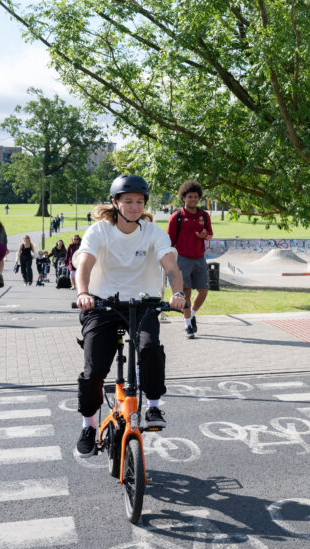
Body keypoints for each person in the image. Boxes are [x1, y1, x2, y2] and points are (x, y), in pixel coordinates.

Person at [73, 175, 188, 459]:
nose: (135, 207)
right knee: (94, 371)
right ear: (115, 203)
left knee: (149, 349)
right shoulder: (99, 231)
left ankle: (153, 406)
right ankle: (88, 425)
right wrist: (84, 294)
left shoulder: (153, 232)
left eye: (139, 202)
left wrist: (179, 293)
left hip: (143, 304)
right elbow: (84, 263)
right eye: (128, 201)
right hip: (101, 306)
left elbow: (171, 266)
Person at [167, 180, 214, 338]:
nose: (193, 200)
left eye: (196, 197)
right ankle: (187, 325)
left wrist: (204, 236)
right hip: (182, 260)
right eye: (190, 197)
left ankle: (192, 315)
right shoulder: (176, 218)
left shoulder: (204, 215)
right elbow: (169, 242)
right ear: (183, 198)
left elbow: (210, 235)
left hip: (200, 258)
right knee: (185, 293)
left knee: (203, 290)